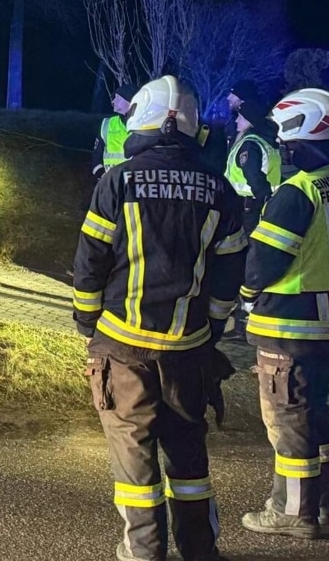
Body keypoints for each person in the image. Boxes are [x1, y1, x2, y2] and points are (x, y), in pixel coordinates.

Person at [73, 75, 244, 561]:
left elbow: (90, 262)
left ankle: (144, 552)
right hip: (188, 348)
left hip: (123, 349)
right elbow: (229, 271)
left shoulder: (117, 181)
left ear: (142, 120)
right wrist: (211, 326)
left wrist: (88, 323)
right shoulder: (220, 189)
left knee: (134, 455)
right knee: (188, 453)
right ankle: (199, 550)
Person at [238, 89, 329, 539]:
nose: (281, 144)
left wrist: (247, 295)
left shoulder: (296, 193)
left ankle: (292, 512)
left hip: (288, 327)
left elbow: (265, 260)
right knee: (315, 416)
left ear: (300, 132)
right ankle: (322, 504)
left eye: (283, 136)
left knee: (288, 420)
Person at [221, 99, 282, 339]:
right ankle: (246, 319)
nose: (236, 120)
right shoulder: (267, 143)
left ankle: (241, 323)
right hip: (257, 210)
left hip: (246, 210)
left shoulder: (250, 145)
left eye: (240, 117)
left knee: (240, 264)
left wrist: (256, 205)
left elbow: (256, 181)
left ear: (249, 120)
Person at [92, 83, 139, 180]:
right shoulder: (107, 124)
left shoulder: (144, 126)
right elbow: (96, 157)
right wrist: (102, 176)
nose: (113, 101)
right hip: (110, 184)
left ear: (129, 101)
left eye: (118, 98)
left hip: (134, 185)